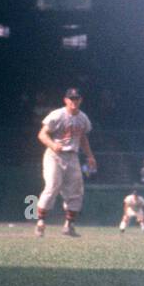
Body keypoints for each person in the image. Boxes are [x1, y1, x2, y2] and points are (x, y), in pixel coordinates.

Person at [35, 87, 96, 237]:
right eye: (71, 98)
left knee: (76, 192)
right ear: (66, 100)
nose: (74, 101)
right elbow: (42, 134)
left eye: (76, 98)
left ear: (80, 100)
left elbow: (82, 137)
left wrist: (90, 156)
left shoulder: (83, 118)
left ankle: (69, 226)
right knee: (52, 186)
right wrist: (53, 145)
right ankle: (40, 222)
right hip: (55, 155)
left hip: (73, 156)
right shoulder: (57, 115)